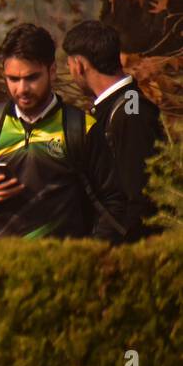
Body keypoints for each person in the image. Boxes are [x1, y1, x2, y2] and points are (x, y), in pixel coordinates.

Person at [0, 23, 126, 242]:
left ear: (51, 71)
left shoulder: (81, 128)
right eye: (13, 79)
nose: (22, 89)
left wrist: (91, 254)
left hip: (61, 266)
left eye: (32, 77)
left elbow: (114, 201)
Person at [62, 19, 166, 241]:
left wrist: (106, 247)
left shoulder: (131, 113)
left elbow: (139, 198)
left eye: (69, 64)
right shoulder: (117, 109)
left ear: (79, 65)